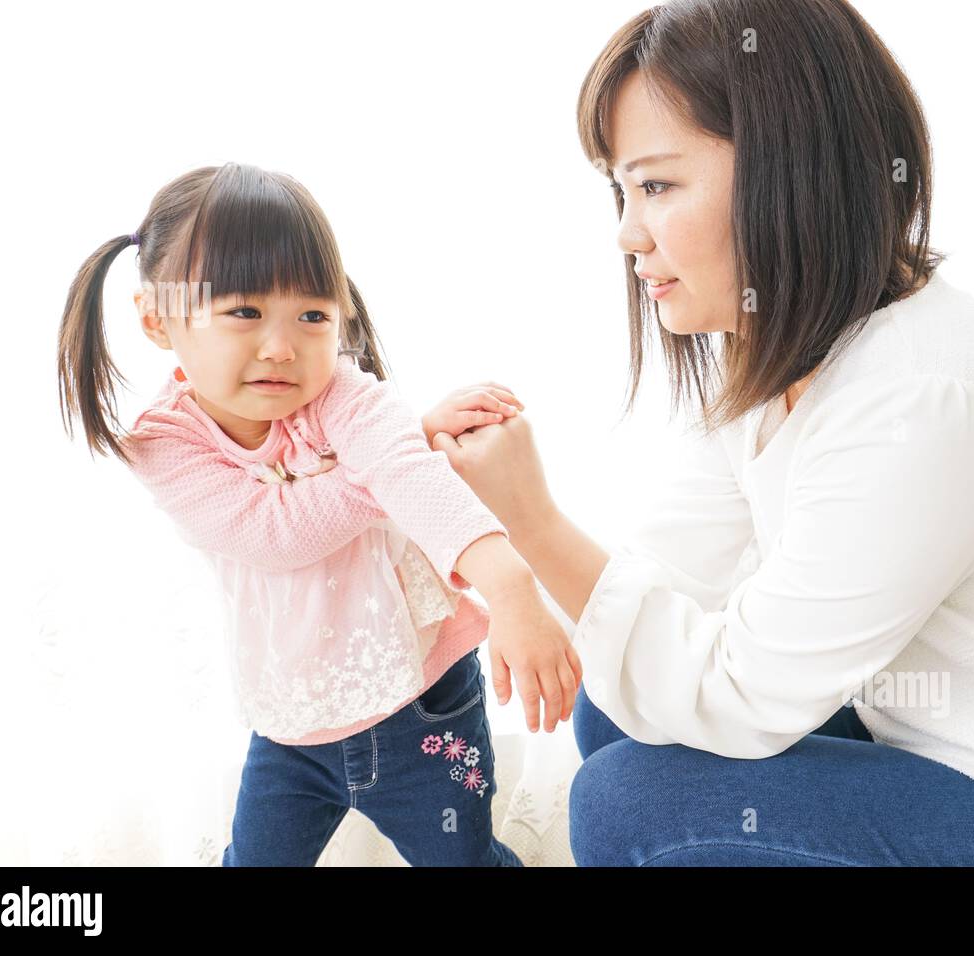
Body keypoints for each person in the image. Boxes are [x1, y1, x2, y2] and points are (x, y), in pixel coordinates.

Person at [426, 0, 974, 867]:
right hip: (940, 757)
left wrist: (534, 522)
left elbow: (738, 692)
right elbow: (667, 582)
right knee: (618, 708)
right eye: (621, 191)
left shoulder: (923, 398)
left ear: (791, 171)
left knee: (630, 802)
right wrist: (508, 566)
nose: (627, 234)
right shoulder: (781, 353)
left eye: (656, 186)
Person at [56, 161, 581, 866]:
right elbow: (274, 533)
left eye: (312, 315)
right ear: (158, 319)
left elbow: (405, 475)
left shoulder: (341, 391)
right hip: (288, 724)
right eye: (244, 312)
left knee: (464, 858)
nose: (282, 346)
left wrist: (512, 587)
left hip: (425, 700)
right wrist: (398, 458)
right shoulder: (163, 443)